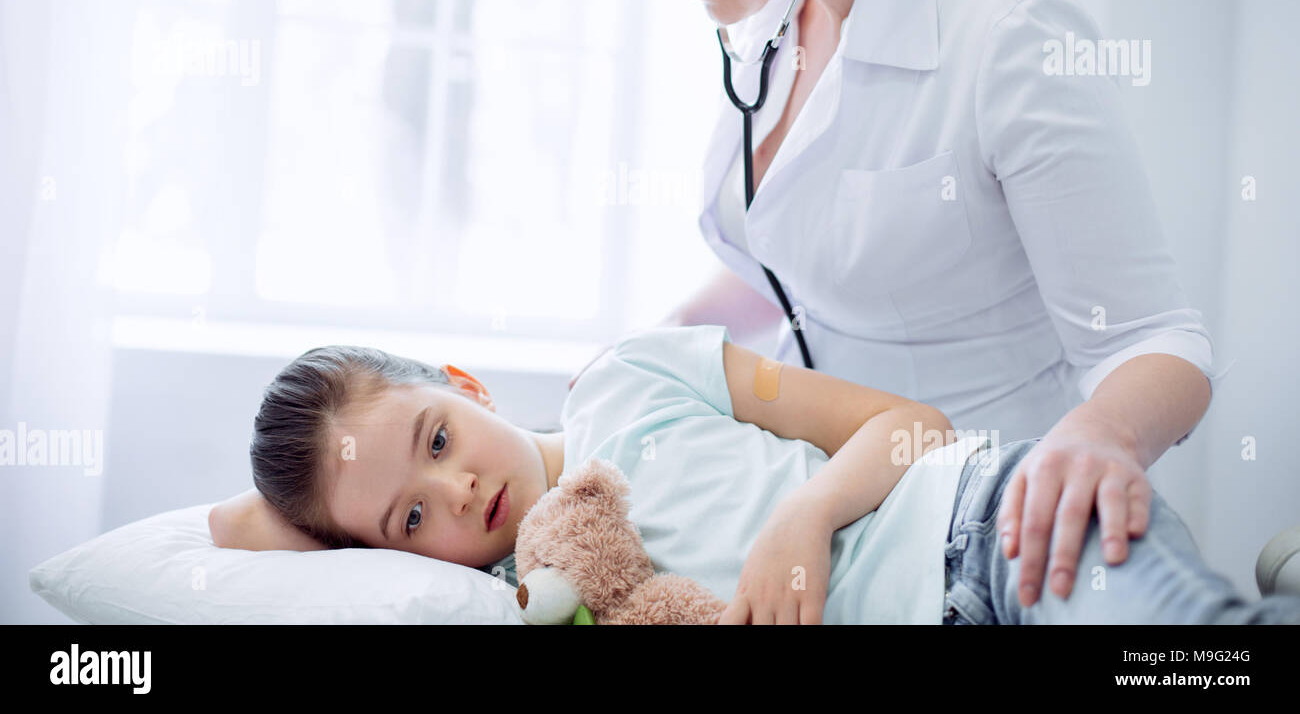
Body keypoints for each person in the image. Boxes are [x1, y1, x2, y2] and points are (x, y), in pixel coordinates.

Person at [593, 0, 1231, 611]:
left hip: (1006, 527)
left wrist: (1097, 438)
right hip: (850, 526)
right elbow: (788, 262)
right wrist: (650, 359)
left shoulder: (1005, 32)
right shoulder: (781, 16)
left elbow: (1160, 344)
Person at [209, 328, 1300, 624]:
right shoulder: (526, 603)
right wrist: (316, 510)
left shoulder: (627, 378)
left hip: (990, 530)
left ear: (463, 381)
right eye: (409, 515)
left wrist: (809, 511)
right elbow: (230, 535)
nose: (453, 493)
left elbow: (908, 426)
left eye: (436, 438)